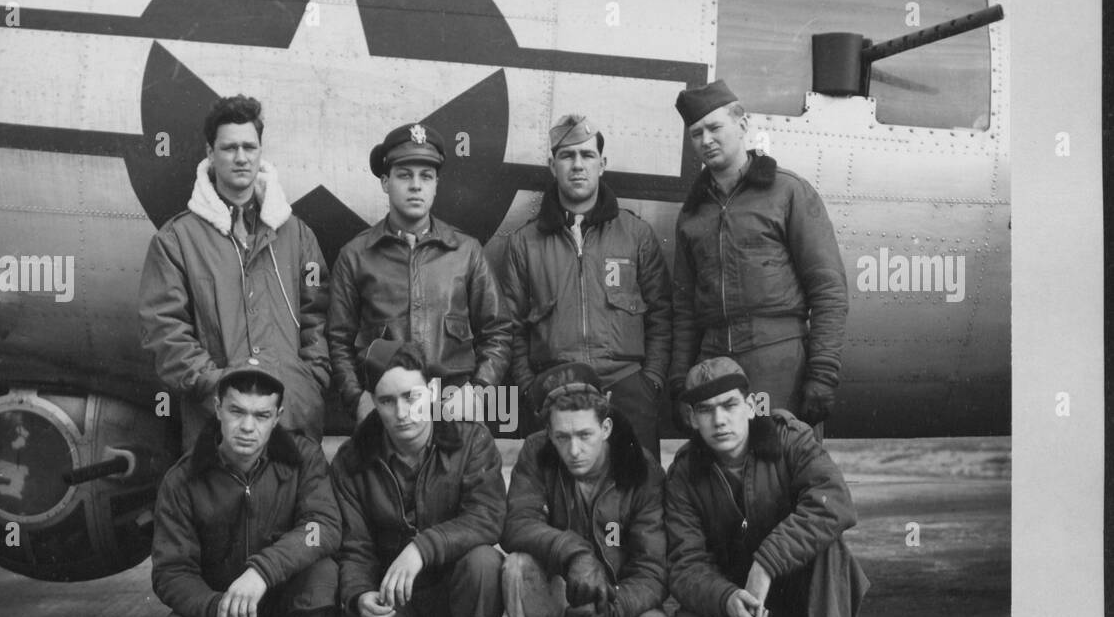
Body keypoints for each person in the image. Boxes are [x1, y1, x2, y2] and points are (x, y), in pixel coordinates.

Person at [663, 358, 869, 617]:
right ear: (692, 419)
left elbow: (834, 503)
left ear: (751, 406)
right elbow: (684, 565)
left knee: (830, 548)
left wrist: (766, 564)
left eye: (728, 405)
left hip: (793, 588)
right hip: (738, 597)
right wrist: (726, 599)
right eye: (706, 411)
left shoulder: (789, 438)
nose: (719, 420)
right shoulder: (684, 475)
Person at [150, 368, 346, 617]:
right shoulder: (183, 479)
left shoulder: (303, 459)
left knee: (324, 575)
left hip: (286, 613)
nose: (247, 427)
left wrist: (262, 572)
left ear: (278, 417)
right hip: (224, 616)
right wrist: (217, 606)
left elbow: (323, 526)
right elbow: (171, 572)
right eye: (237, 412)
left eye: (261, 416)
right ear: (217, 409)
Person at [330, 341, 505, 617]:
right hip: (397, 599)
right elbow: (353, 545)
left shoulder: (470, 439)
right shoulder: (353, 459)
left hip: (456, 592)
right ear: (374, 403)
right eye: (387, 401)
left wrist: (422, 547)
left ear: (433, 392)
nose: (403, 411)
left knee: (484, 562)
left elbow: (488, 518)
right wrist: (359, 596)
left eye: (412, 396)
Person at [139, 94, 331, 451]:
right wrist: (220, 388)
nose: (241, 158)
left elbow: (317, 314)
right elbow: (165, 331)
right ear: (210, 153)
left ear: (260, 151)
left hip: (292, 425)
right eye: (229, 148)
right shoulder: (177, 240)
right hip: (216, 433)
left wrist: (308, 381)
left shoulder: (296, 234)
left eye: (249, 147)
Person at [501, 363, 681, 617]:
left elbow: (653, 567)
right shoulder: (536, 453)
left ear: (606, 428)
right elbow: (517, 524)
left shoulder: (640, 468)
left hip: (618, 599)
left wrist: (614, 612)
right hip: (562, 593)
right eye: (562, 437)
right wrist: (575, 553)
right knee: (517, 567)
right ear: (548, 432)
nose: (574, 449)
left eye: (585, 434)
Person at [667, 80, 849, 430]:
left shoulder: (788, 192)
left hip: (779, 360)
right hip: (715, 362)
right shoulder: (692, 214)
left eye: (715, 127)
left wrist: (823, 373)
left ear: (743, 125)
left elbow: (828, 290)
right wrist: (679, 382)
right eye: (696, 133)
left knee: (780, 465)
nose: (706, 141)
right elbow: (684, 310)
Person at [499, 114, 671, 460]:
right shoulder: (524, 244)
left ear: (602, 164)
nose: (578, 165)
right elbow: (511, 327)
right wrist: (530, 388)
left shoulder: (636, 235)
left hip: (627, 387)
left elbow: (662, 316)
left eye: (587, 155)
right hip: (556, 388)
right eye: (567, 156)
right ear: (552, 165)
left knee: (639, 492)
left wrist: (649, 382)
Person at [327, 122, 512, 426]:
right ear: (386, 182)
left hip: (453, 410)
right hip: (387, 411)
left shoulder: (466, 252)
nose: (416, 185)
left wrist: (479, 391)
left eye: (426, 176)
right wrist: (357, 397)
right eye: (404, 175)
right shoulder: (356, 255)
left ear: (437, 184)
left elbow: (498, 331)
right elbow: (338, 341)